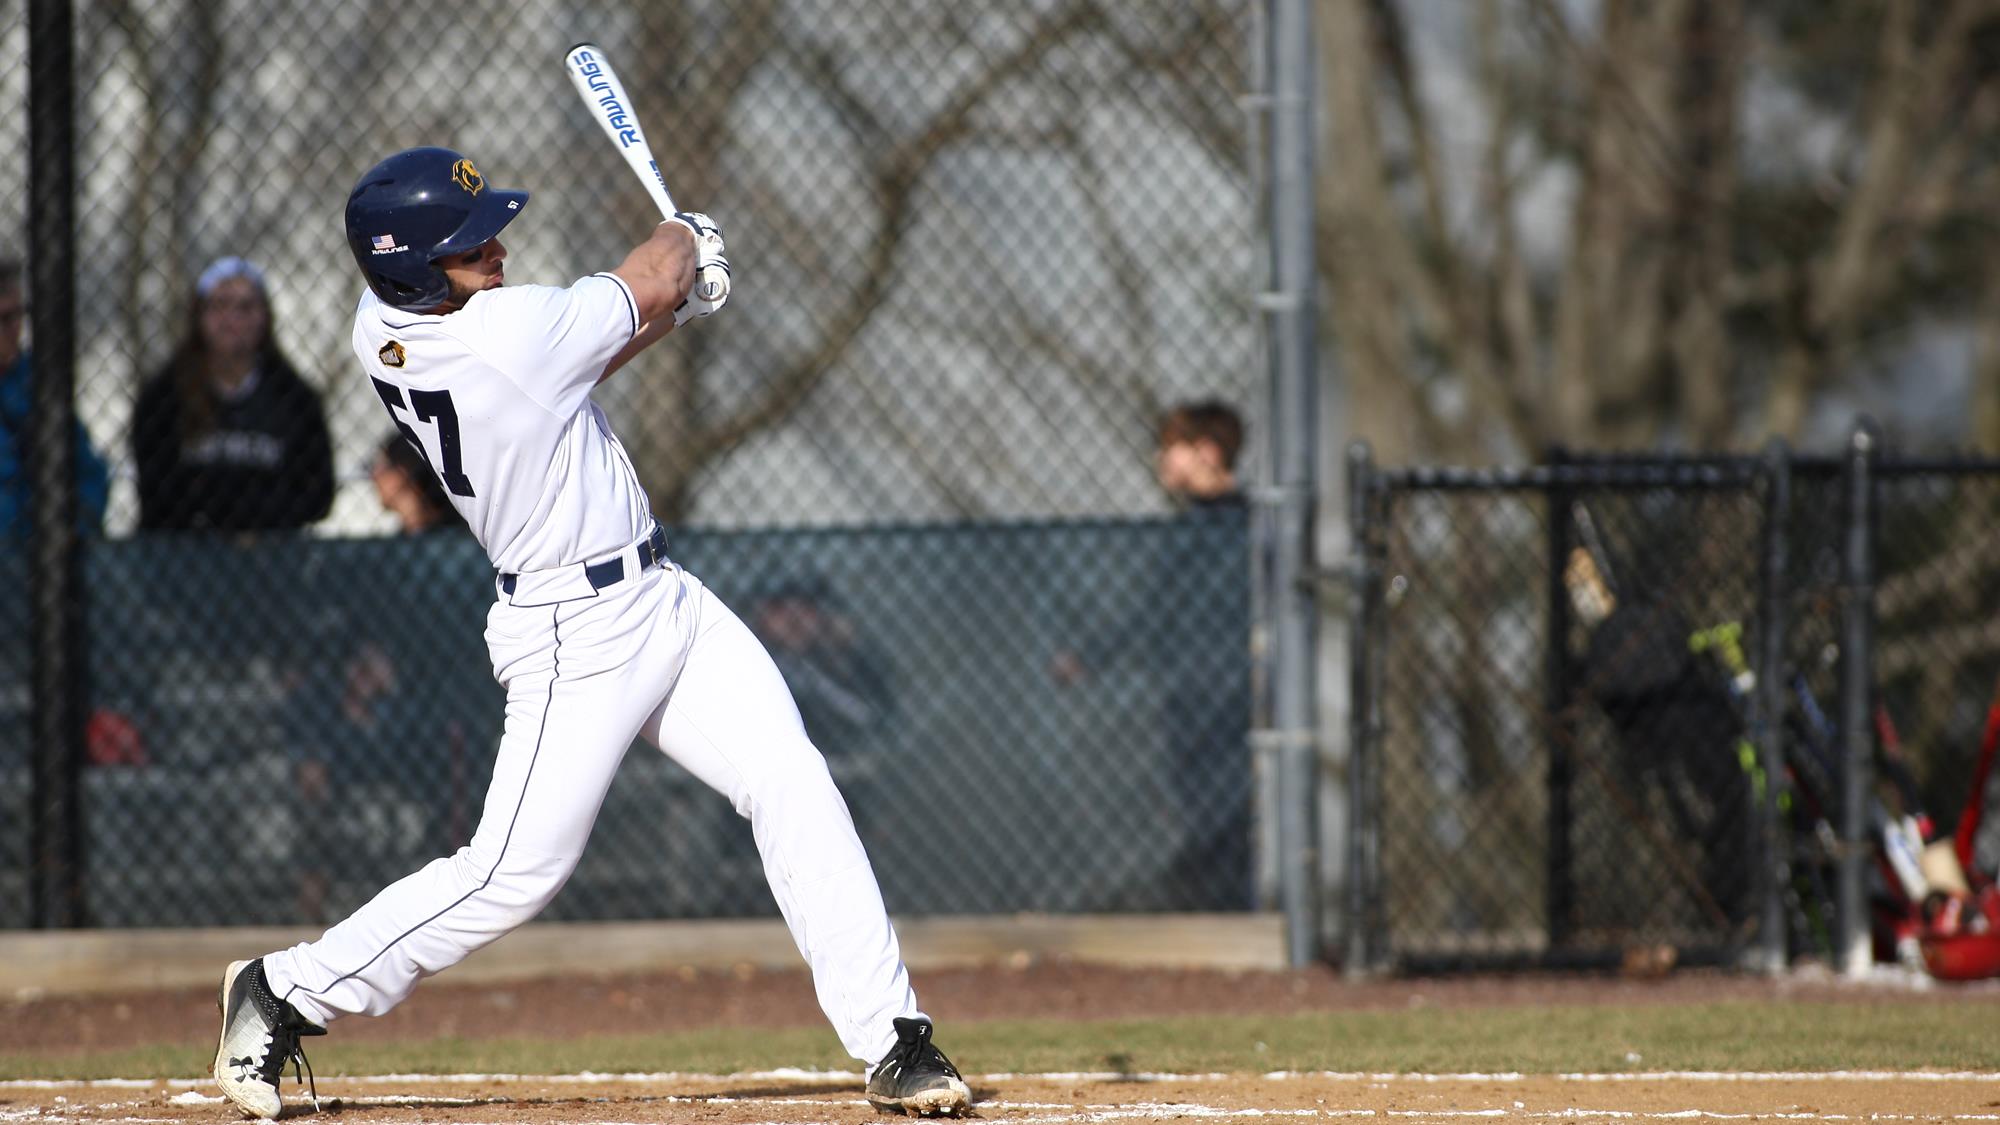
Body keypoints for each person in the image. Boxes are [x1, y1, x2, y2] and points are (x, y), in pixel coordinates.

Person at [211, 146, 970, 1120]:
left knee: (790, 780)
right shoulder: (501, 333)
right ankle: (282, 990)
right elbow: (643, 275)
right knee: (510, 873)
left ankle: (892, 1038)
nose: (494, 249)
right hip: (575, 631)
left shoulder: (387, 326)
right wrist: (687, 240)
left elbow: (578, 356)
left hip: (662, 597)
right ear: (413, 267)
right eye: (466, 244)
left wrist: (677, 304)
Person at [131, 256, 334, 532]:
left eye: (246, 307)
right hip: (185, 554)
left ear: (264, 317)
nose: (233, 319)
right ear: (199, 315)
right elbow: (155, 493)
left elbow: (317, 494)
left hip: (271, 555)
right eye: (220, 305)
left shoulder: (295, 400)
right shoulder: (164, 399)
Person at [0, 255, 110, 540]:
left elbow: (89, 474)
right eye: (1, 319)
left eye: (16, 316)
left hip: (37, 555)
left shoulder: (37, 384)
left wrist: (73, 527)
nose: (11, 331)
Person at [369, 429, 466, 535]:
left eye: (385, 467)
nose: (374, 476)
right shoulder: (400, 542)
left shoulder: (460, 531)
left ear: (404, 471)